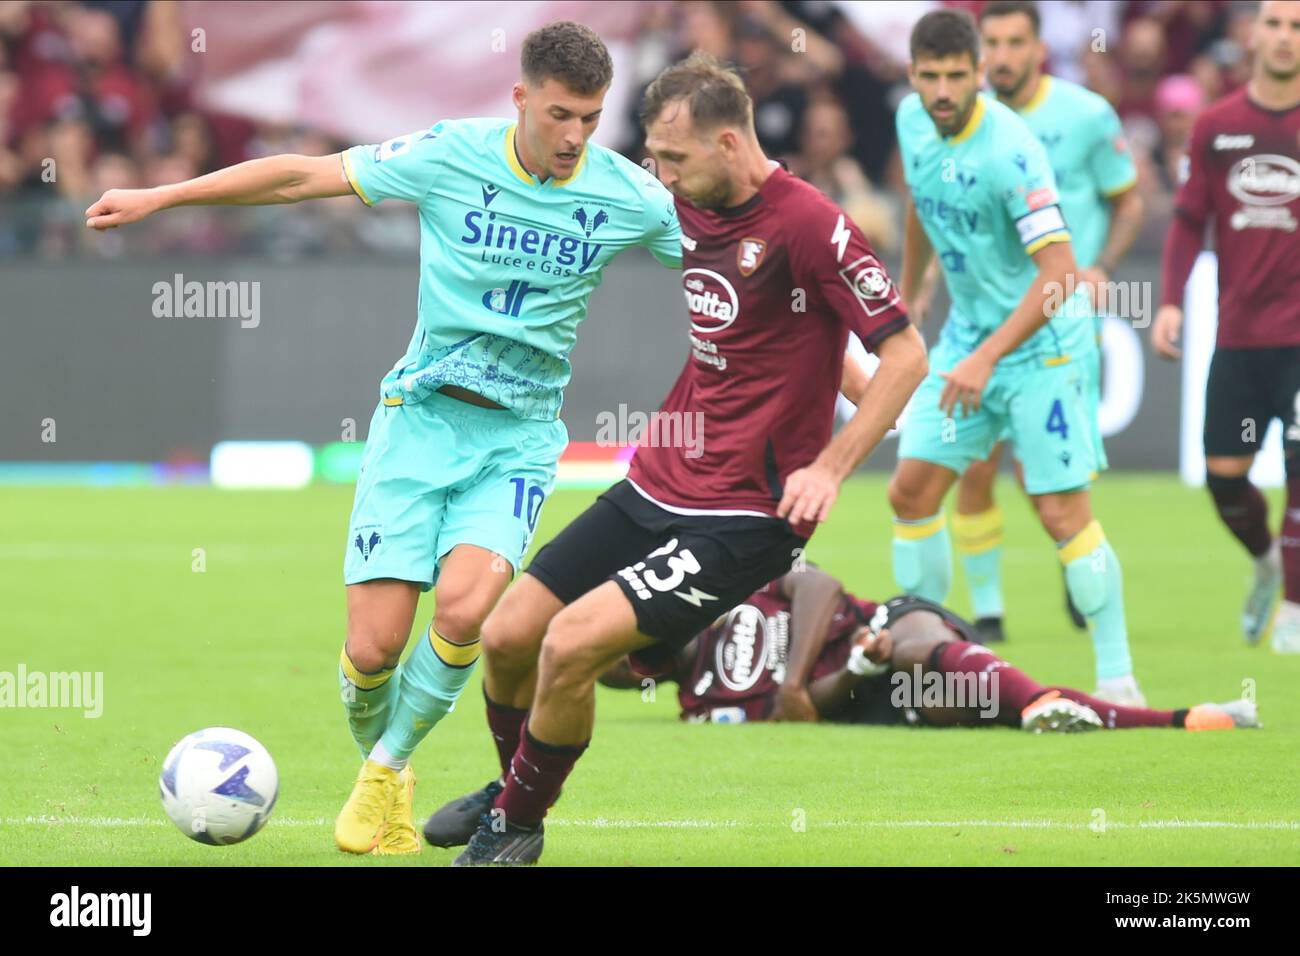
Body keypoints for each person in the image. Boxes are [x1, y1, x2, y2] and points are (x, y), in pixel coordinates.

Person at [84, 21, 684, 854]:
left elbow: (736, 273)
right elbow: (302, 177)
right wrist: (162, 197)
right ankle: (386, 769)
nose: (576, 137)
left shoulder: (630, 196)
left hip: (517, 439)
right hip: (418, 422)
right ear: (520, 99)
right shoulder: (449, 155)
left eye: (590, 117)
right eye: (559, 116)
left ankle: (382, 769)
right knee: (372, 651)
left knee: (468, 609)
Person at [436, 50, 928, 866]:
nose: (658, 176)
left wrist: (829, 465)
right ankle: (515, 790)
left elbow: (905, 356)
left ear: (731, 144)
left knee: (570, 645)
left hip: (746, 514)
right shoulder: (691, 198)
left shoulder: (812, 225)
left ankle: (516, 827)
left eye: (672, 158)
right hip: (661, 480)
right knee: (510, 634)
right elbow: (800, 333)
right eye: (652, 158)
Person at [888, 8, 1145, 704]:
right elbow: (917, 201)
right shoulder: (911, 122)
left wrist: (988, 358)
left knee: (1061, 512)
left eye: (955, 77)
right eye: (929, 77)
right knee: (910, 490)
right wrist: (912, 294)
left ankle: (1118, 679)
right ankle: (924, 669)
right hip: (968, 337)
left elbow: (1060, 272)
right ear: (913, 75)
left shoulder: (1012, 150)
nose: (942, 91)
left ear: (978, 75)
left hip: (1042, 350)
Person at [596, 567, 1260, 734]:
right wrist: (852, 668)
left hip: (896, 623)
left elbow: (819, 584)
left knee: (916, 654)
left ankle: (1040, 703)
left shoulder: (729, 588)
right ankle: (1193, 717)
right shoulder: (704, 709)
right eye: (621, 666)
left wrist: (798, 675)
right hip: (871, 695)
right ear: (638, 672)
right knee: (957, 704)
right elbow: (802, 716)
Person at [1153, 0, 1300, 653]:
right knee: (1224, 476)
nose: (1285, 37)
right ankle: (1268, 561)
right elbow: (1188, 220)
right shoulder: (1217, 126)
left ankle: (1294, 610)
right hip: (1239, 336)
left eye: (1298, 26)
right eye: (1275, 23)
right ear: (1253, 34)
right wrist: (1171, 301)